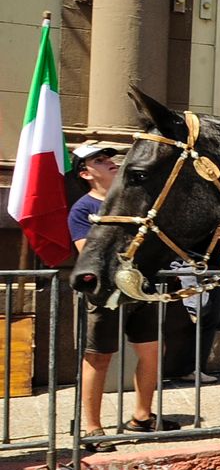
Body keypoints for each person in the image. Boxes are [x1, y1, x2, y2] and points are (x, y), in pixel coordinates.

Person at [68, 140, 160, 436]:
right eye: (98, 159)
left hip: (141, 286)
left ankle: (142, 417)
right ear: (85, 173)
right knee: (97, 356)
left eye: (109, 156)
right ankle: (92, 427)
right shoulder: (84, 209)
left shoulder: (137, 200)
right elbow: (86, 250)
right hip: (103, 292)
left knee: (152, 352)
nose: (110, 160)